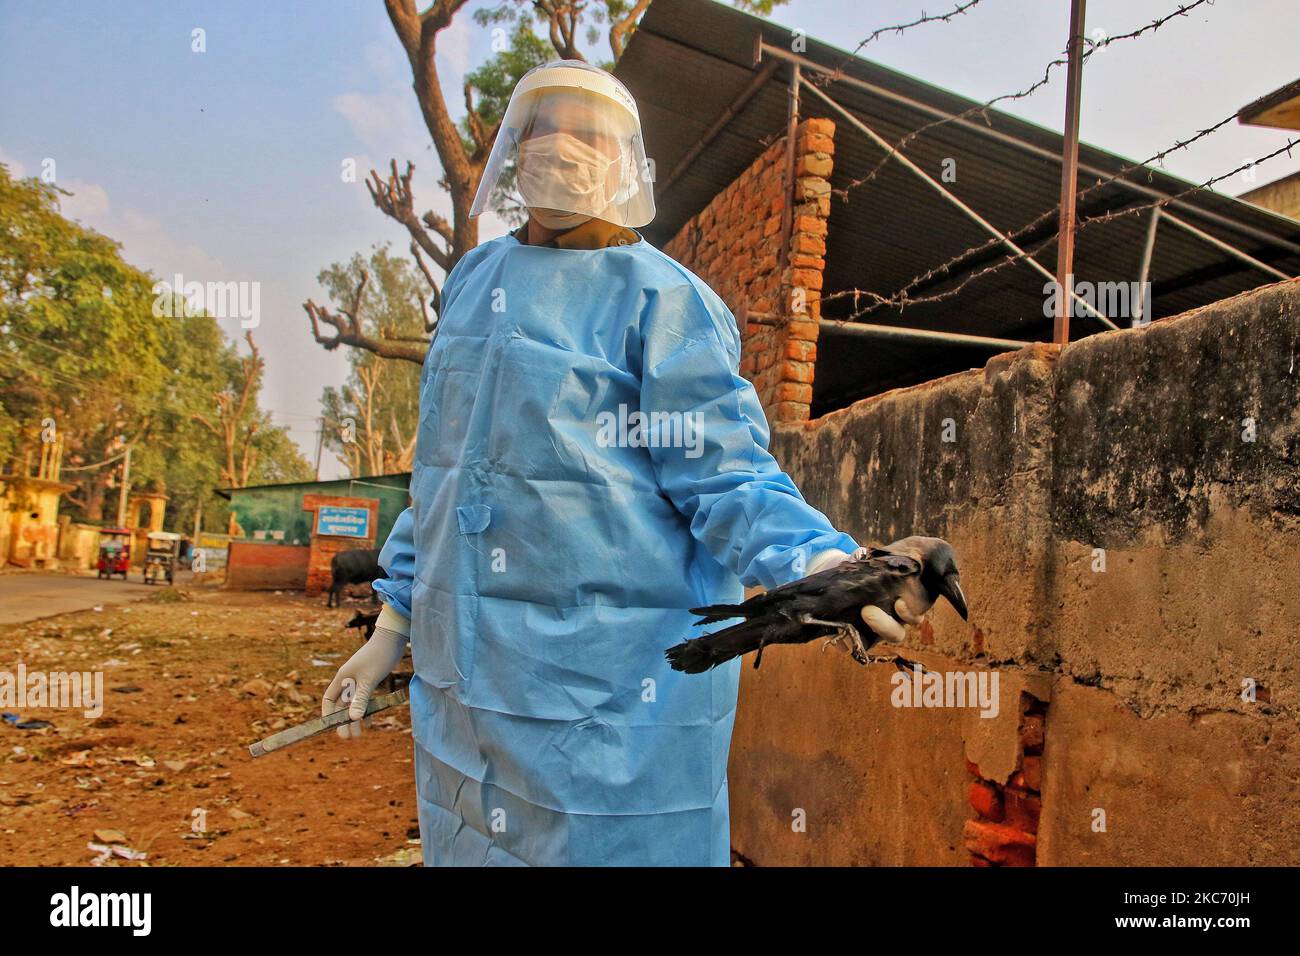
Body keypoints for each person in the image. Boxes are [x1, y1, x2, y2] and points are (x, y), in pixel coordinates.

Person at [322, 60, 891, 866]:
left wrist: (821, 561)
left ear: (625, 161)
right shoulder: (473, 282)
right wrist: (392, 624)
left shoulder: (664, 299)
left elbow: (722, 472)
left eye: (588, 133)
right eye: (545, 127)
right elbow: (447, 476)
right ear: (515, 149)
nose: (564, 147)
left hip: (612, 691)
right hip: (466, 691)